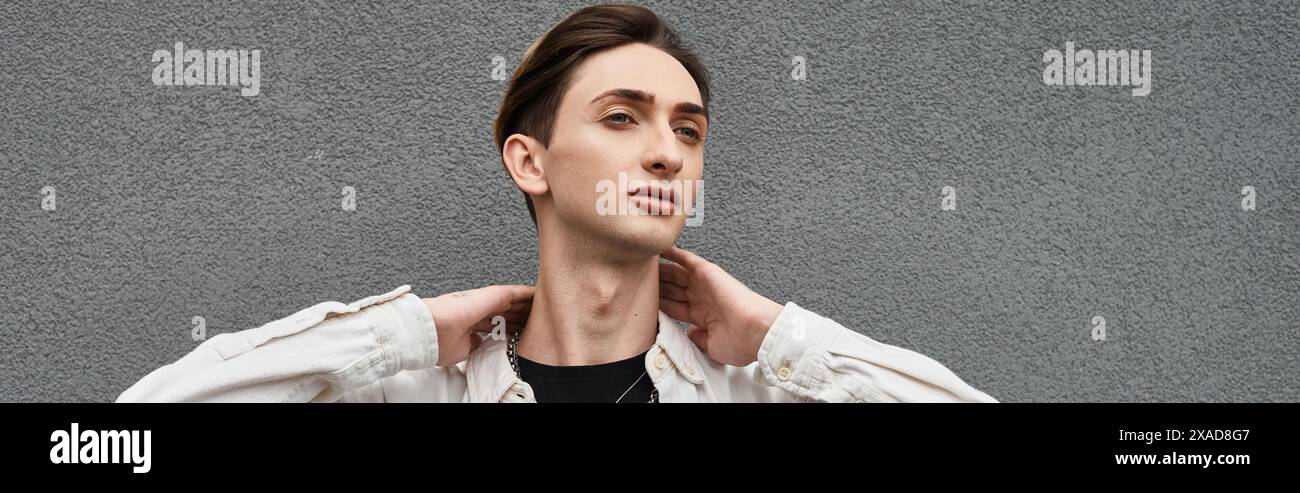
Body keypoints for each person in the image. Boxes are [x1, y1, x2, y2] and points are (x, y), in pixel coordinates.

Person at [117, 4, 996, 403]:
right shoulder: (415, 388)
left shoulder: (759, 386)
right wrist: (404, 333)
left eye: (689, 130)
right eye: (623, 117)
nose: (665, 148)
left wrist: (777, 338)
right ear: (528, 161)